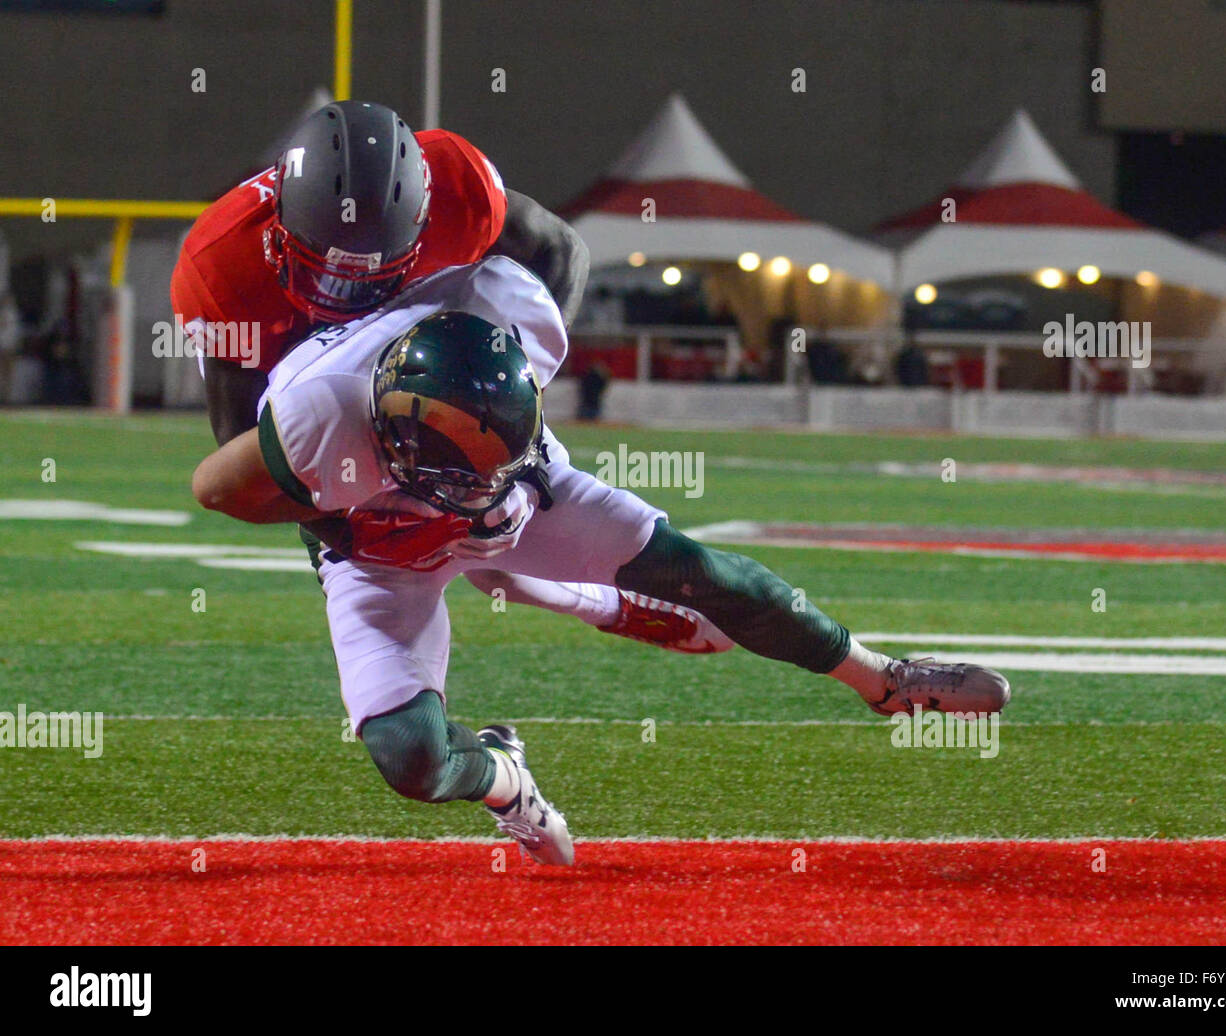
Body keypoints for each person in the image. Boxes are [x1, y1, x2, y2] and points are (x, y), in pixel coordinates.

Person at [191, 256, 1011, 866]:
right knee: (411, 759)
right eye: (459, 471)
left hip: (530, 490)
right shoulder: (318, 418)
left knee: (708, 575)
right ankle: (508, 779)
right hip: (378, 553)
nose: (476, 488)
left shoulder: (522, 318)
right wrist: (349, 528)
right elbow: (219, 490)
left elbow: (545, 238)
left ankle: (887, 680)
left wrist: (492, 488)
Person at [171, 99, 729, 655]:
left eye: (377, 271)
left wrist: (513, 390)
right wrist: (346, 528)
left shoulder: (455, 186)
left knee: (498, 549)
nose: (351, 294)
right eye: (331, 270)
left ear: (422, 220)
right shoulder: (221, 267)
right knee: (389, 593)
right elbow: (242, 450)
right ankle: (483, 728)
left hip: (434, 374)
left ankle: (620, 606)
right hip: (328, 401)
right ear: (279, 227)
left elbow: (558, 249)